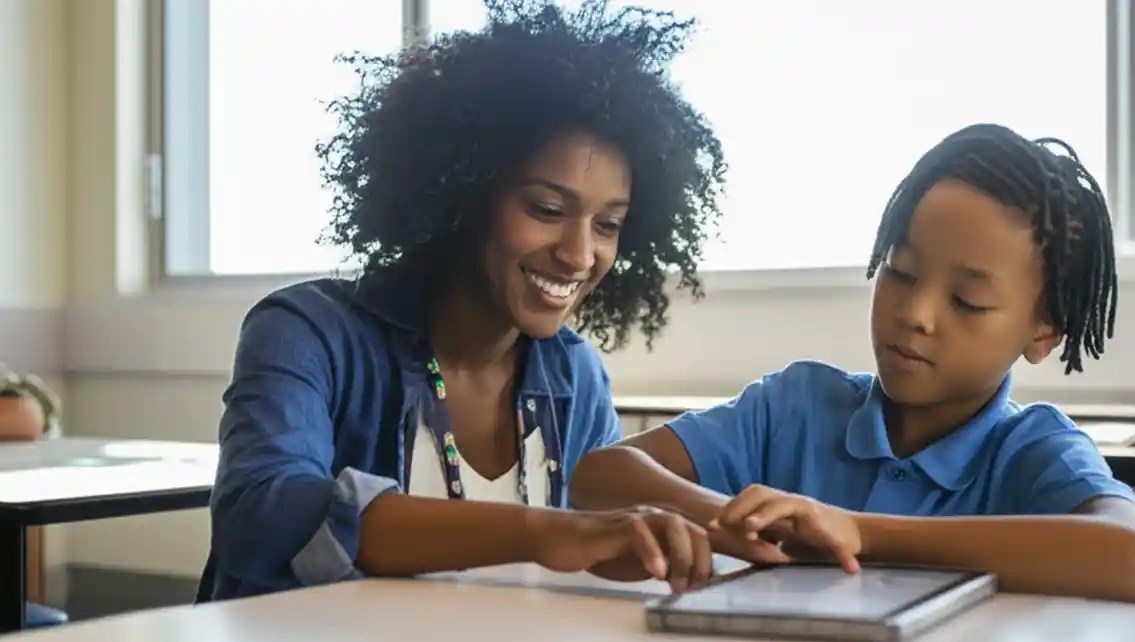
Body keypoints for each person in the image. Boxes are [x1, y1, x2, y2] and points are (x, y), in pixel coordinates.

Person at [198, 0, 750, 601]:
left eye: (608, 225)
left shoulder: (573, 375)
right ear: (462, 195)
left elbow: (594, 547)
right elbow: (260, 516)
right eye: (546, 209)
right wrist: (543, 531)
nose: (578, 254)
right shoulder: (308, 333)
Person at [570, 124, 1135, 603]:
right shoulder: (795, 408)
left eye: (968, 301)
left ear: (1043, 334)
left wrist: (861, 530)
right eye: (901, 272)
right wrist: (729, 522)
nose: (916, 313)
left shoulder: (1033, 450)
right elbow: (600, 476)